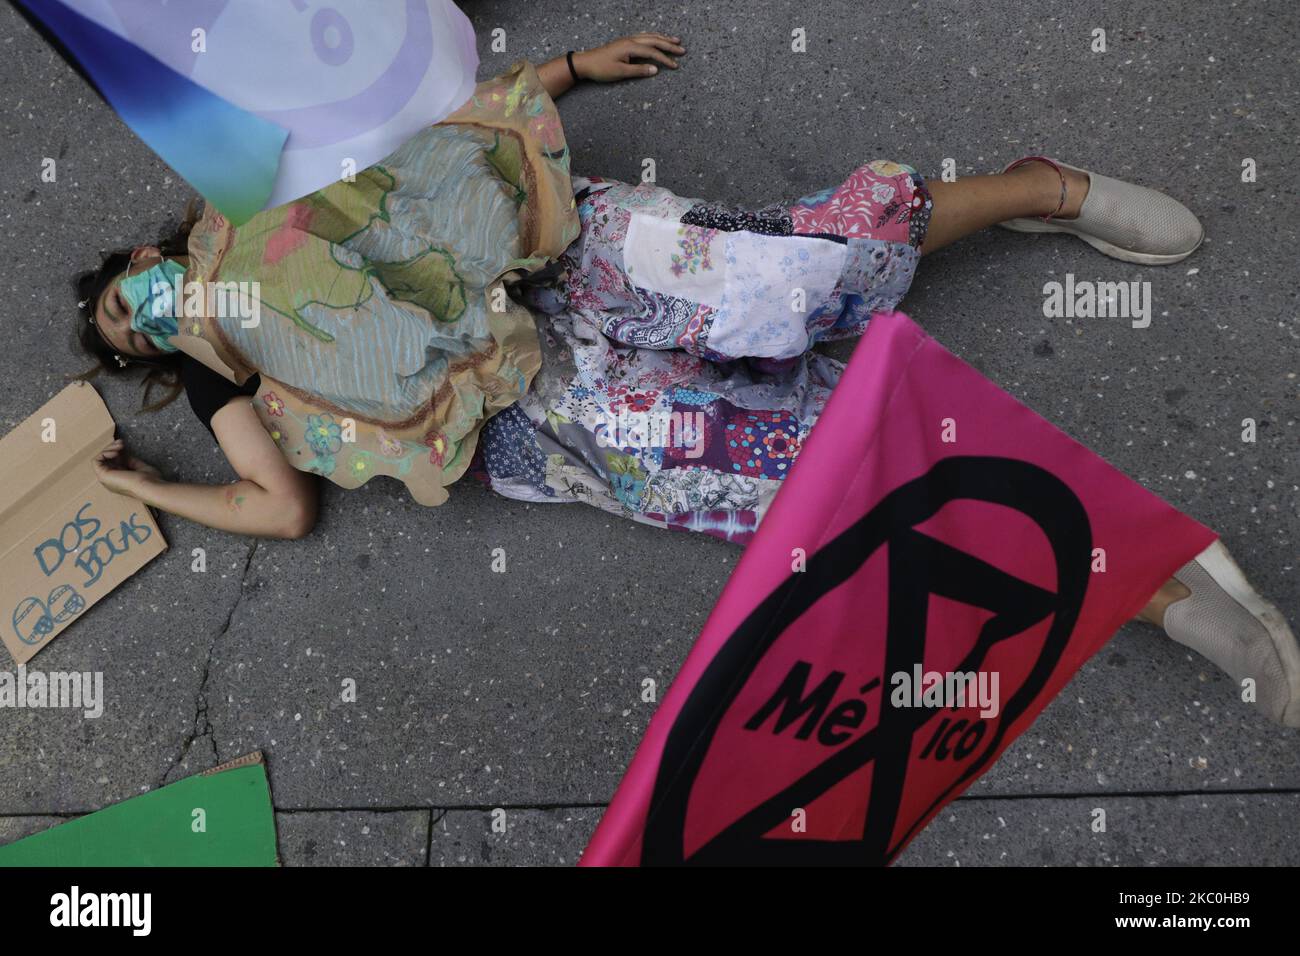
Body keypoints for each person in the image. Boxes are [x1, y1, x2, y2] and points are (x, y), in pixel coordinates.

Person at [73, 32, 1297, 726]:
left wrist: (557, 73)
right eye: (134, 338)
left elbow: (410, 142)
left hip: (541, 249)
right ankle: (1140, 579)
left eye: (132, 294)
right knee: (819, 470)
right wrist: (149, 483)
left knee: (787, 275)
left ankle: (1039, 185)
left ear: (148, 250)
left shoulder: (248, 190)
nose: (146, 316)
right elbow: (279, 505)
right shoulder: (214, 370)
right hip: (527, 409)